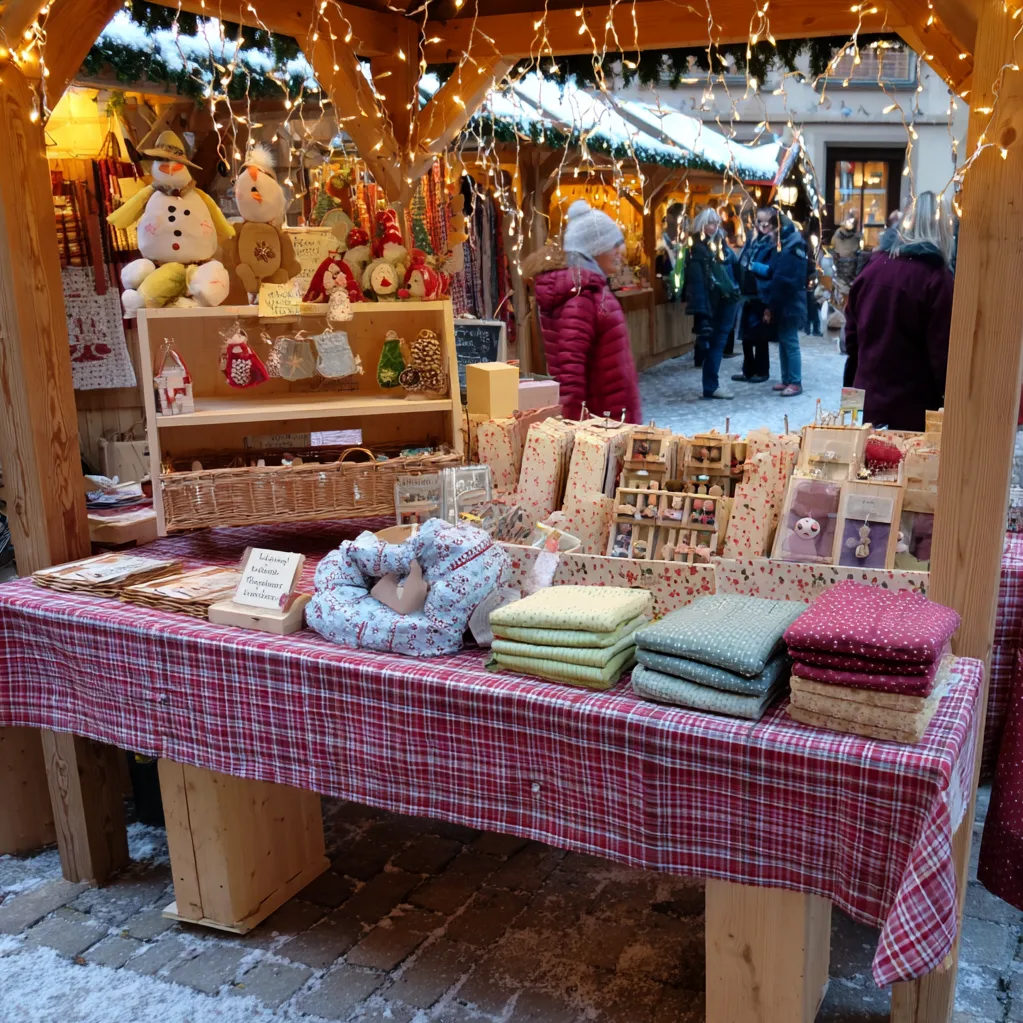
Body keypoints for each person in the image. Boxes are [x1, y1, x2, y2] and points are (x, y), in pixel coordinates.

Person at [842, 191, 954, 431]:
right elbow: (942, 356)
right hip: (911, 410)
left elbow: (851, 339)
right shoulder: (937, 280)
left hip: (864, 396)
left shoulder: (874, 266)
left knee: (860, 462)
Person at [523, 199, 642, 423]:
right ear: (593, 249)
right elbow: (570, 376)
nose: (621, 252)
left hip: (611, 421)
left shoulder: (589, 291)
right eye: (613, 245)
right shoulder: (581, 298)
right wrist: (576, 431)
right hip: (602, 425)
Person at [735, 206, 807, 396]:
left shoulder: (791, 247)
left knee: (790, 342)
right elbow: (775, 272)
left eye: (768, 225)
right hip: (783, 302)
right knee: (784, 341)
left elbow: (783, 280)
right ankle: (787, 379)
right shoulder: (784, 244)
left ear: (778, 227)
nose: (764, 230)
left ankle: (795, 382)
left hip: (789, 303)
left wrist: (770, 307)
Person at [683, 207, 740, 399]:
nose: (713, 226)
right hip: (713, 304)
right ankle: (711, 386)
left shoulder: (720, 245)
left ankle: (711, 385)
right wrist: (702, 313)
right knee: (714, 345)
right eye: (709, 222)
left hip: (727, 301)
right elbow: (697, 284)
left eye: (715, 222)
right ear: (701, 225)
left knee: (718, 343)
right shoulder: (698, 250)